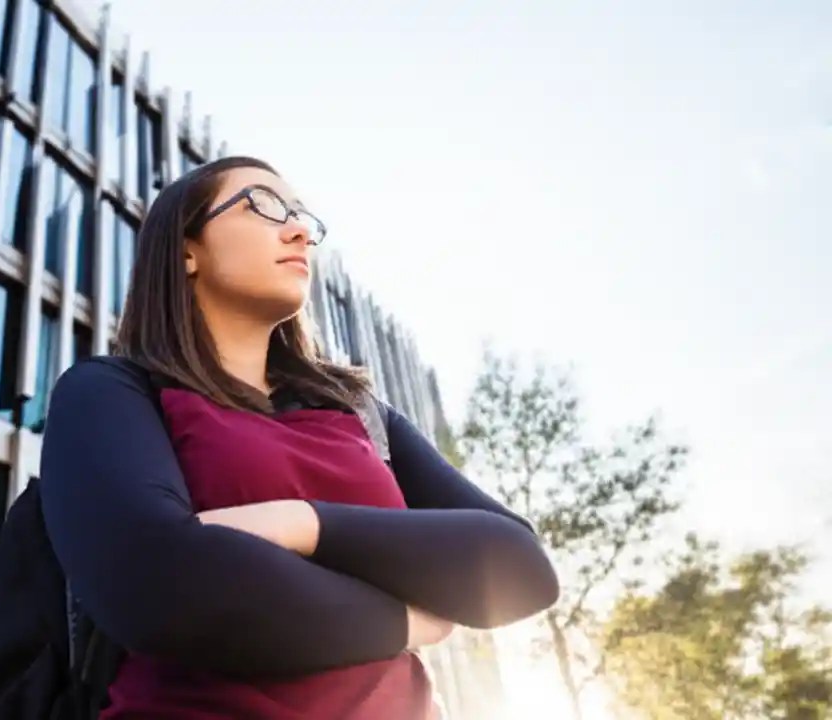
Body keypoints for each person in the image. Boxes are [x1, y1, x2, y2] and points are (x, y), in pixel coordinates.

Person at [38, 156, 559, 719]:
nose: (299, 230)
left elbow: (518, 569)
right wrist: (405, 621)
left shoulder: (358, 414)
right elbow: (156, 582)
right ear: (187, 250)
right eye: (262, 205)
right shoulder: (111, 392)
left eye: (301, 215)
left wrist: (296, 523)